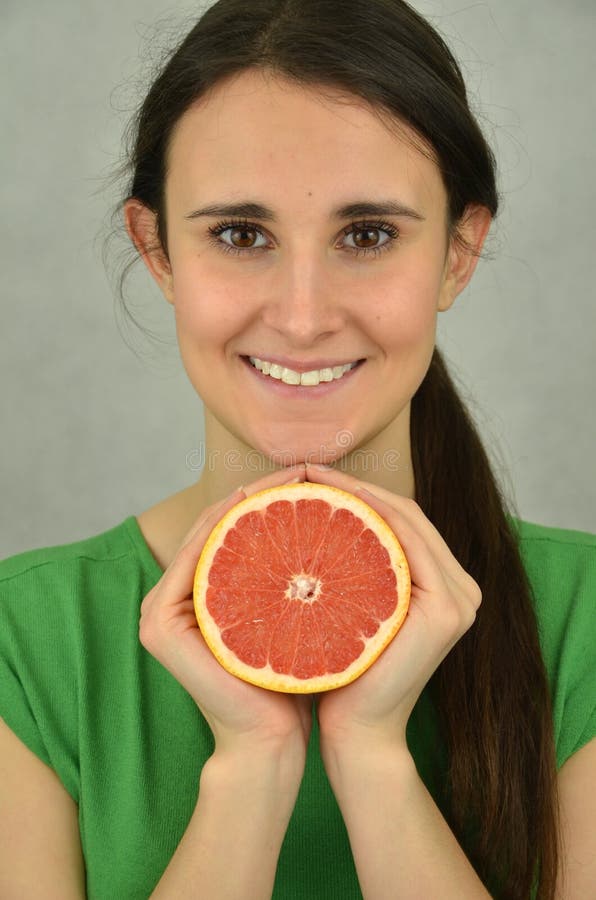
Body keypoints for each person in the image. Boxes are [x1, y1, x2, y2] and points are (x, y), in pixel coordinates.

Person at [1, 0, 594, 897]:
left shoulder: (584, 622)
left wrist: (373, 759)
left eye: (368, 235)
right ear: (157, 250)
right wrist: (251, 765)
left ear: (459, 253)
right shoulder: (26, 643)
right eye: (241, 236)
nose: (305, 315)